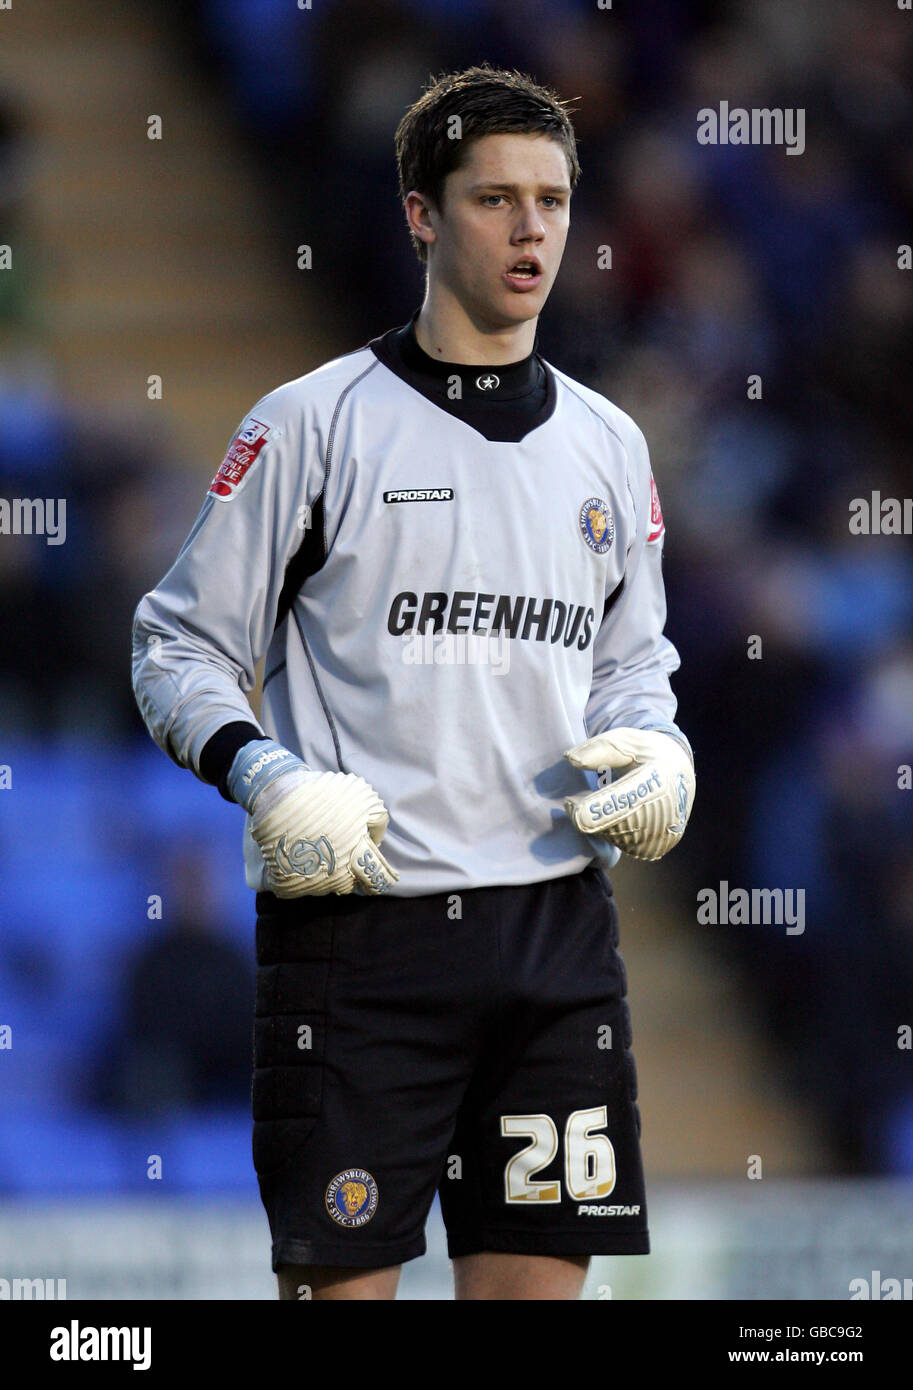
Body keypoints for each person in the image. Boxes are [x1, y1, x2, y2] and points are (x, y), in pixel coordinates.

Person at [132, 63, 695, 1302]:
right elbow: (175, 644)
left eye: (552, 199)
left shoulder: (608, 442)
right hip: (360, 935)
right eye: (495, 198)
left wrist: (658, 746)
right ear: (421, 215)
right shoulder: (313, 425)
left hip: (556, 941)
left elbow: (631, 661)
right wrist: (262, 774)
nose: (532, 227)